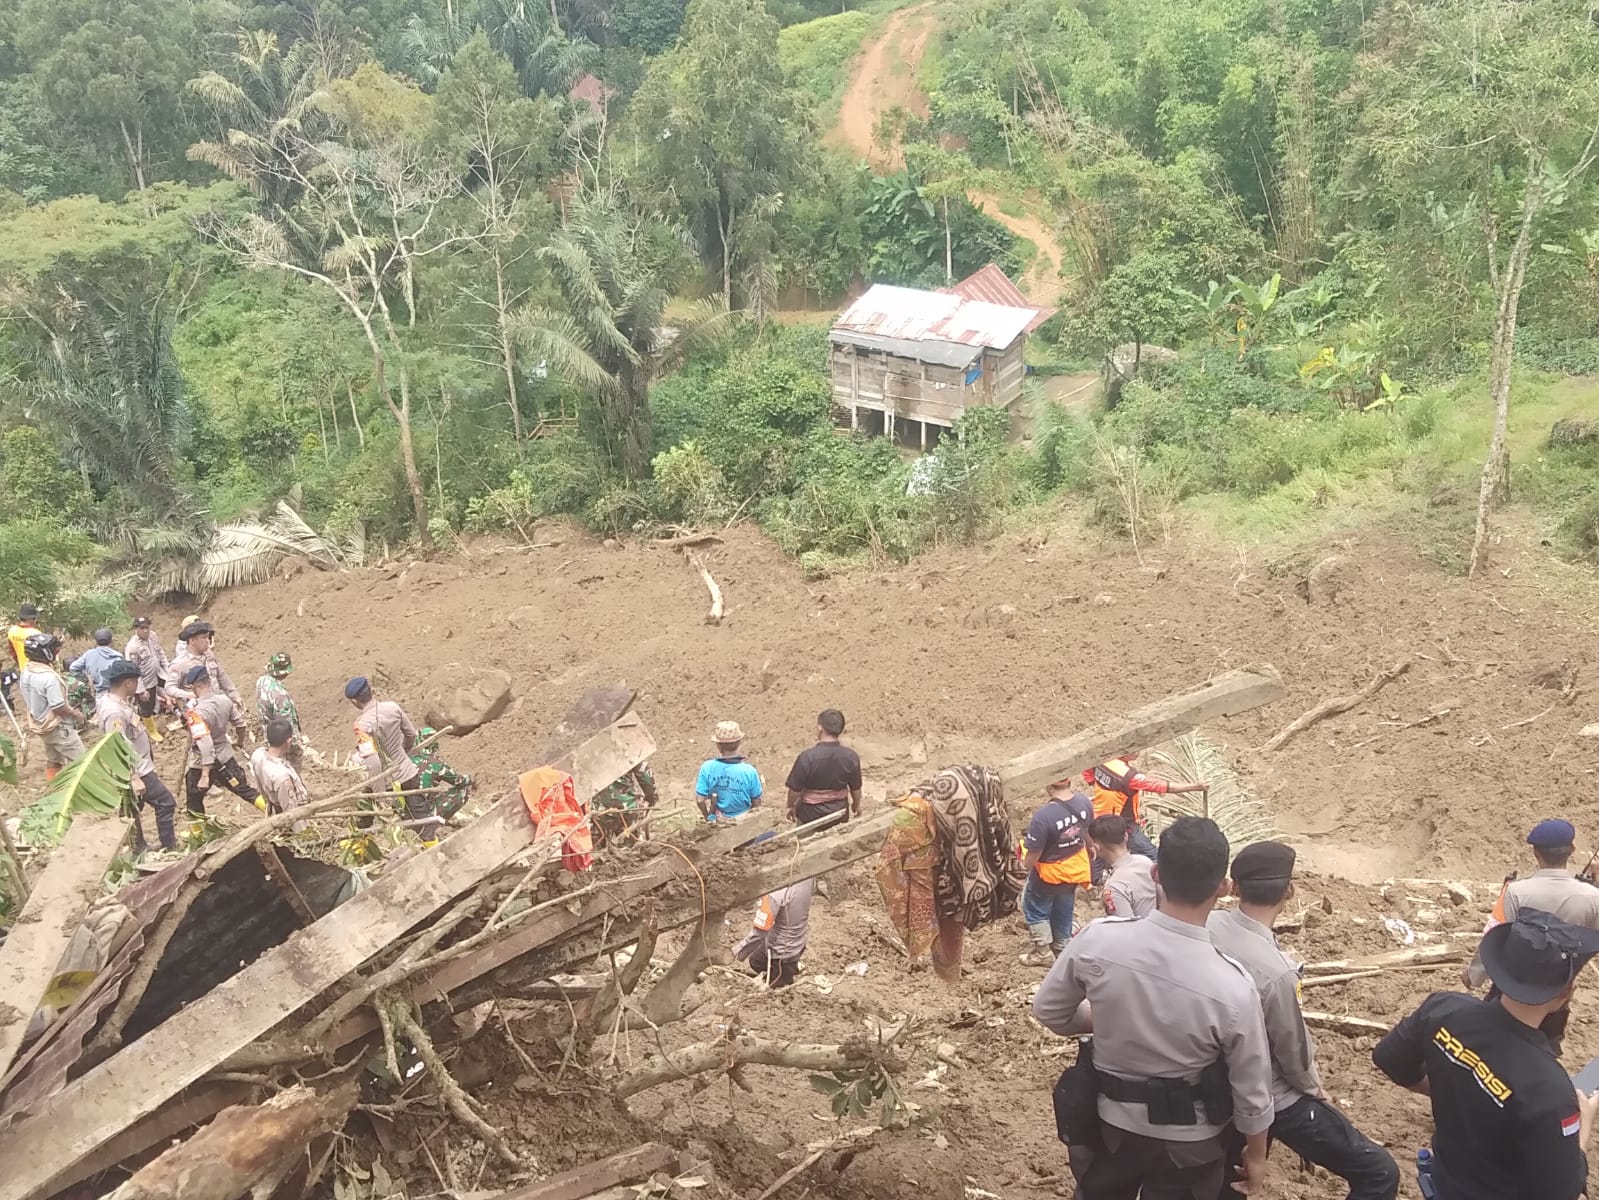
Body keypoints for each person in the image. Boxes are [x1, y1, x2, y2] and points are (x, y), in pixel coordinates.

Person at [1033, 816, 1274, 1199]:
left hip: (1111, 1127)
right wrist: (1257, 1155)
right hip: (1191, 1143)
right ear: (1224, 888)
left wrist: (1101, 1018)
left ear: (1157, 874)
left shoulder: (1099, 940)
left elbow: (1049, 1010)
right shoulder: (1234, 986)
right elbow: (1253, 1088)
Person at [1209, 842, 1398, 1200]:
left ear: (1234, 888)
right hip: (1266, 1092)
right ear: (1290, 891)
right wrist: (1313, 1087)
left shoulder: (1210, 924)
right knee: (1378, 1172)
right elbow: (1290, 1051)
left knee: (1226, 1176)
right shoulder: (1277, 973)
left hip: (1211, 1076)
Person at [1374, 909, 1599, 1200]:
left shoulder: (1443, 1009)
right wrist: (1585, 1123)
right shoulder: (1550, 1090)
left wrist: (1460, 1089)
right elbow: (1561, 1191)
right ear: (1566, 991)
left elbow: (1389, 1059)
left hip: (1444, 1183)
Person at [1463, 818, 1599, 1054]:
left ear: (1536, 853)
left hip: (1511, 984)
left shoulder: (1516, 891)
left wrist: (1473, 976)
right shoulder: (1592, 897)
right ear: (1572, 851)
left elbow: (1494, 934)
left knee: (1490, 1045)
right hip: (1557, 990)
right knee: (1544, 1049)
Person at [98, 659, 178, 852]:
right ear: (127, 683)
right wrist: (133, 776)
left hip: (139, 767)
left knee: (132, 811)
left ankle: (137, 848)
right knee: (165, 802)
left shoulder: (119, 704)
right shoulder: (114, 711)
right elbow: (117, 746)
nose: (137, 685)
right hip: (137, 771)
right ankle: (169, 847)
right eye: (135, 681)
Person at [1020, 783, 1094, 965]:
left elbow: (1034, 852)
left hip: (1048, 873)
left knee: (1036, 909)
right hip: (1074, 869)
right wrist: (1091, 845)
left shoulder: (1044, 816)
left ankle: (1043, 953)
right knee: (1064, 906)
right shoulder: (1084, 802)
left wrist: (1023, 870)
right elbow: (1086, 829)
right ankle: (1062, 946)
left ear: (1049, 785)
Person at [1084, 754, 1209, 861]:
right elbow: (1161, 786)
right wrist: (1195, 787)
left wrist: (1091, 782)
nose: (1138, 752)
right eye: (1134, 749)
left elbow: (1086, 768)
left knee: (1098, 854)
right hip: (1122, 825)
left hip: (1099, 816)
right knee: (1154, 856)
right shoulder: (1128, 776)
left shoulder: (1102, 759)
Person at [181, 663, 262, 820]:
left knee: (194, 801)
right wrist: (239, 741)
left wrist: (205, 774)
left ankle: (198, 834)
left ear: (195, 686)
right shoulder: (224, 700)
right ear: (209, 682)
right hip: (225, 756)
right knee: (244, 790)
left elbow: (206, 744)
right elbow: (241, 724)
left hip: (202, 764)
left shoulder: (196, 714)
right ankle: (274, 813)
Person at [167, 621, 250, 744]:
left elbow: (221, 676)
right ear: (192, 640)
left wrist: (234, 695)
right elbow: (169, 688)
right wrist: (189, 695)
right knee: (203, 745)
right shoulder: (180, 664)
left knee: (220, 737)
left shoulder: (210, 655)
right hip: (197, 712)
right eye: (204, 637)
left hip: (216, 704)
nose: (208, 641)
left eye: (208, 637)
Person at [18, 632, 84, 780]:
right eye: (53, 649)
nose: (56, 652)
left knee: (54, 759)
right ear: (45, 653)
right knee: (82, 762)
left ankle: (53, 786)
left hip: (41, 724)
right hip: (58, 728)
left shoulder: (26, 671)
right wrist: (75, 714)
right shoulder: (48, 678)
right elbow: (58, 706)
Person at [784, 709, 863, 832]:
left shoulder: (807, 757)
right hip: (839, 815)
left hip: (809, 817)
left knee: (806, 849)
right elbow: (856, 789)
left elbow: (794, 790)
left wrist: (790, 806)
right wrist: (856, 805)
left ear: (820, 728)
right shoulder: (851, 757)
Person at [346, 676, 421, 799]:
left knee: (366, 814)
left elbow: (374, 763)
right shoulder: (393, 707)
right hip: (409, 774)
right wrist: (404, 751)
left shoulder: (362, 726)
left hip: (389, 784)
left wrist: (380, 795)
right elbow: (411, 734)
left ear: (354, 701)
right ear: (371, 690)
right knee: (421, 815)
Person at [734, 877, 816, 988]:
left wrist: (736, 953)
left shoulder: (774, 894)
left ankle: (785, 978)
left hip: (783, 954)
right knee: (756, 961)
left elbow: (759, 933)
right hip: (798, 940)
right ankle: (788, 969)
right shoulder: (808, 877)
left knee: (777, 990)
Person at [404, 726, 475, 843]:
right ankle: (437, 823)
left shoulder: (406, 759)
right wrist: (472, 779)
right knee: (465, 788)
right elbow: (459, 781)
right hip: (424, 811)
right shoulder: (435, 763)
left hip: (404, 811)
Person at [1089, 814, 1159, 920]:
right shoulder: (1145, 862)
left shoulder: (1114, 888)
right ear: (1126, 836)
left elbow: (1124, 928)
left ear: (1096, 848)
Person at [695, 721, 762, 822]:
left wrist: (707, 816)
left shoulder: (707, 767)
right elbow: (756, 802)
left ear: (718, 745)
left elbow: (700, 800)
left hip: (718, 820)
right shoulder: (749, 771)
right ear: (739, 743)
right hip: (745, 822)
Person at [251, 717, 309, 827]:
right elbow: (291, 812)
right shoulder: (282, 777)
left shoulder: (258, 755)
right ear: (289, 741)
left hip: (274, 808)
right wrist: (305, 837)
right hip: (290, 815)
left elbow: (261, 788)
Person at [124, 616, 169, 743]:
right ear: (136, 629)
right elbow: (133, 670)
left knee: (171, 691)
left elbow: (160, 652)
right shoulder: (132, 647)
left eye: (147, 627)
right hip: (145, 680)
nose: (145, 630)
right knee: (147, 706)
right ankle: (151, 730)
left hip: (159, 673)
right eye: (142, 628)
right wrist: (140, 690)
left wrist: (167, 668)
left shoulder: (153, 637)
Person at [255, 653, 304, 768]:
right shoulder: (280, 696)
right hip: (282, 743)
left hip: (269, 734)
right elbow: (286, 723)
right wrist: (295, 745)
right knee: (290, 769)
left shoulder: (261, 681)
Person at [592, 760, 657, 848]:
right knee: (630, 849)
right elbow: (644, 773)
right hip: (628, 807)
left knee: (596, 850)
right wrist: (651, 798)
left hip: (599, 811)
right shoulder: (627, 747)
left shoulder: (585, 752)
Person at [69, 628, 122, 693]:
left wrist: (86, 680)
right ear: (111, 641)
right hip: (113, 693)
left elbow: (73, 668)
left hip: (95, 692)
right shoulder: (118, 657)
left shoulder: (89, 654)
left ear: (96, 641)